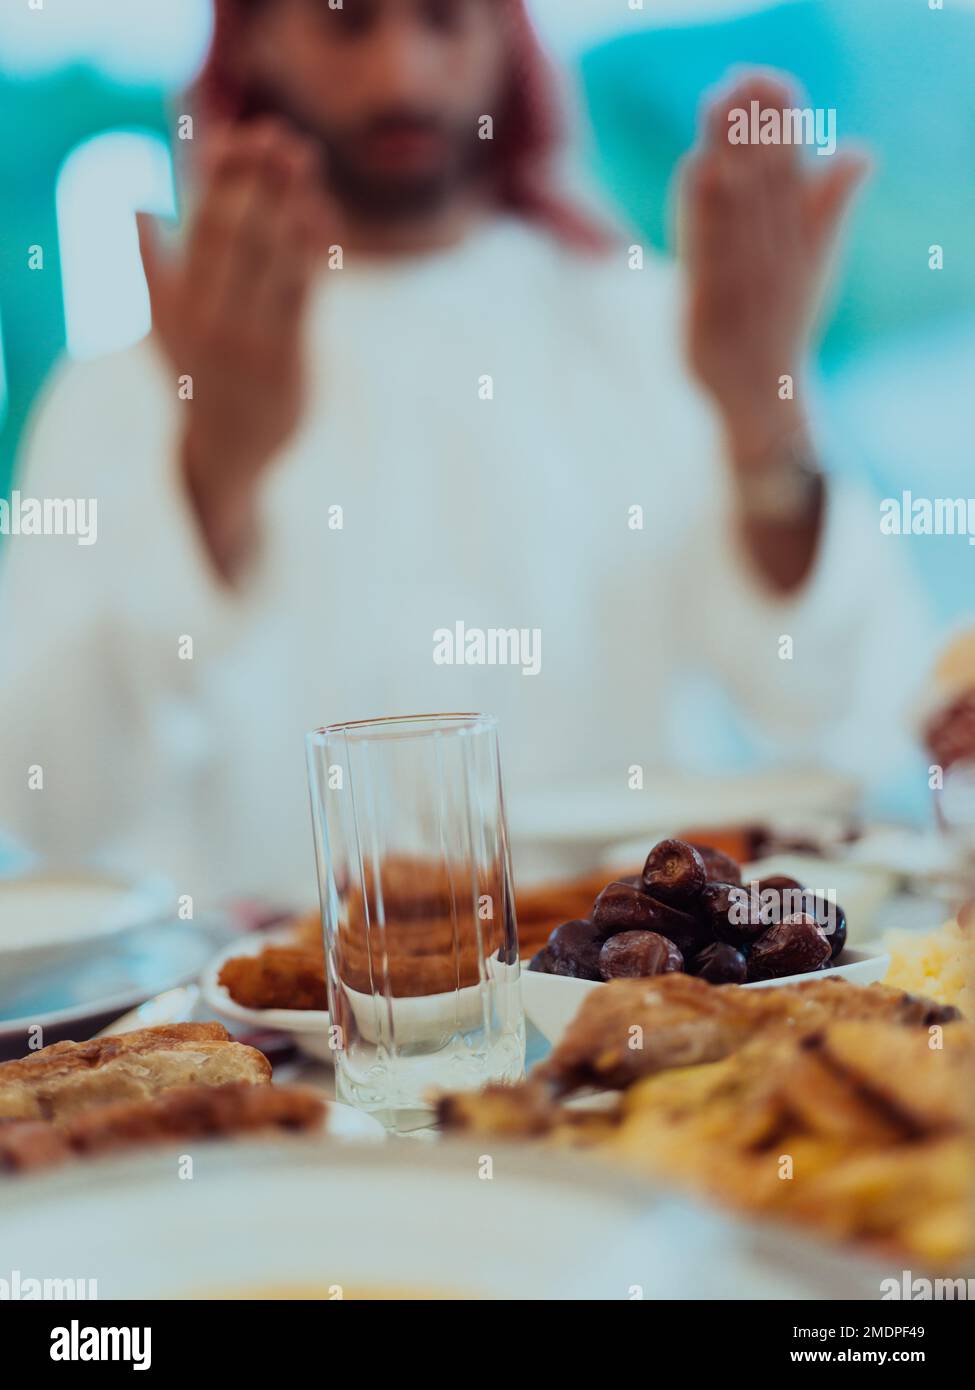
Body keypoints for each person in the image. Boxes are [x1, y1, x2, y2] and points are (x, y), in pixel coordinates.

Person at [0, 0, 927, 904]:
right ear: (255, 40)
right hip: (269, 1036)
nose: (401, 72)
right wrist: (212, 477)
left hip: (628, 1008)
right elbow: (52, 804)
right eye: (347, 21)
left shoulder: (651, 328)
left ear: (504, 35)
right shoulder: (134, 384)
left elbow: (856, 718)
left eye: (444, 16)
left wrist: (761, 419)